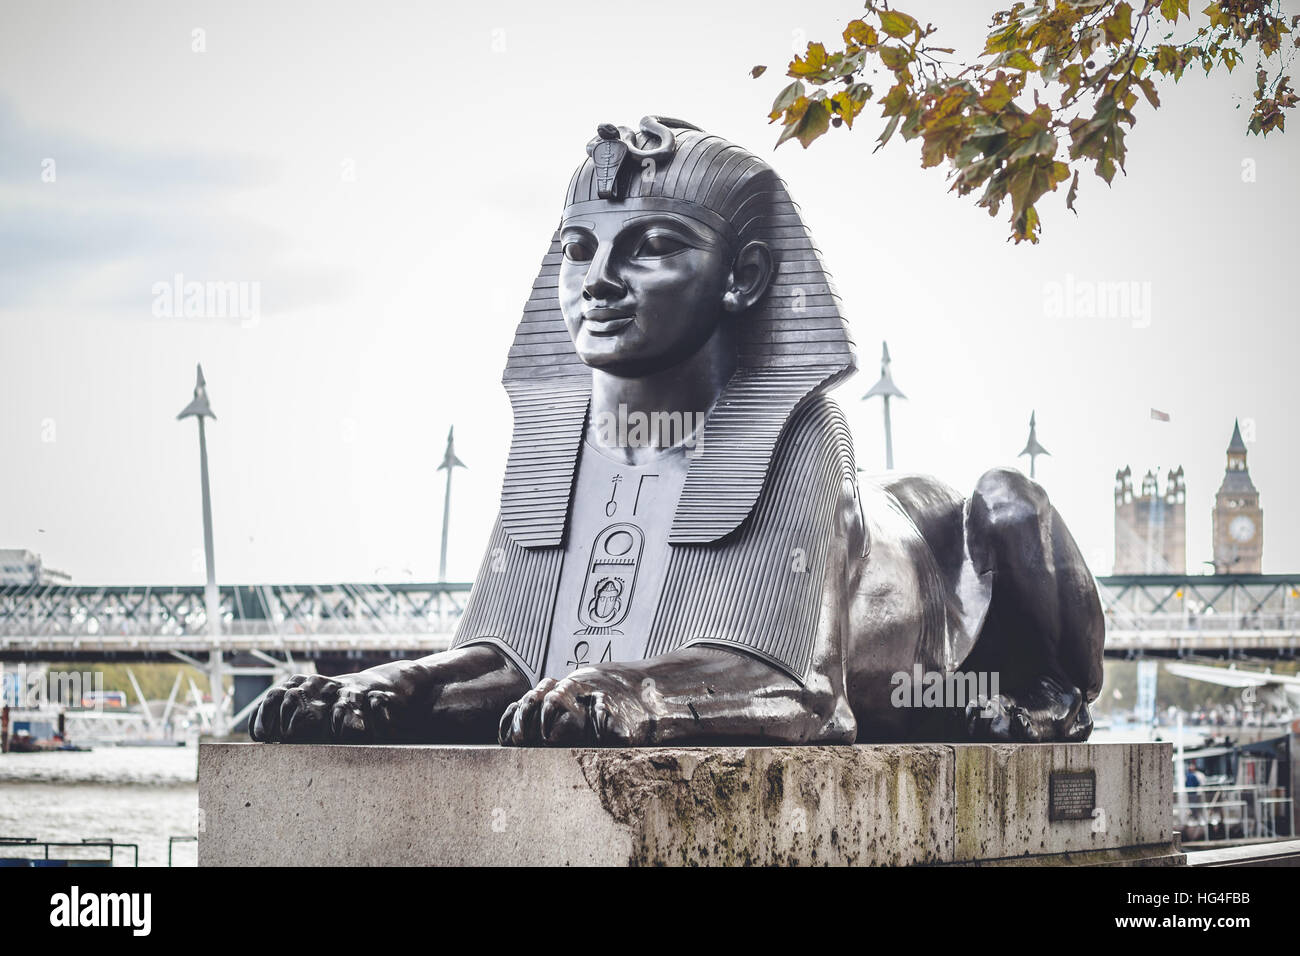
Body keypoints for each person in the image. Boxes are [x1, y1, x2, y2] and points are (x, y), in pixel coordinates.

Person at [249, 117, 1104, 747]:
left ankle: (1052, 689)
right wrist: (386, 687)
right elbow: (514, 662)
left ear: (747, 276)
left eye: (653, 245)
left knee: (1010, 504)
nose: (599, 280)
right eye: (580, 247)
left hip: (951, 605)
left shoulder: (802, 434)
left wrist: (641, 695)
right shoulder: (555, 440)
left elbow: (804, 693)